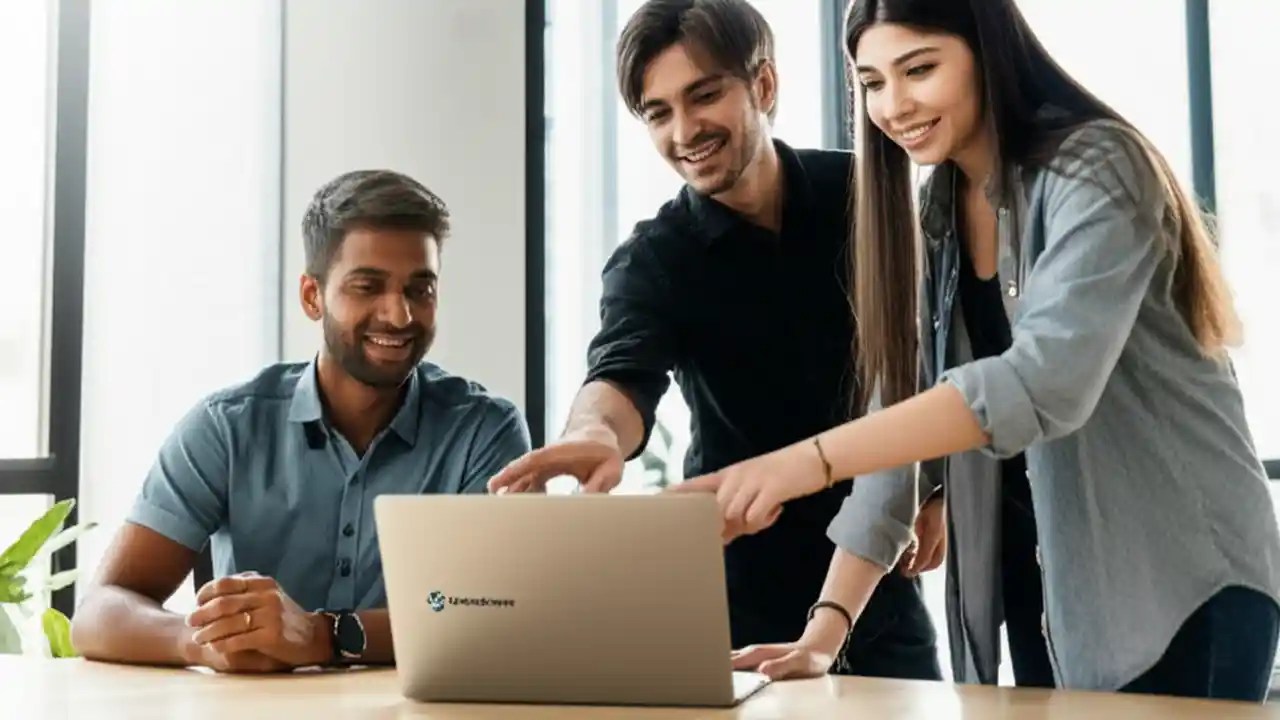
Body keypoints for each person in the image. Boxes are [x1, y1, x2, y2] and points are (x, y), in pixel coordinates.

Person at [672, 0, 1280, 701]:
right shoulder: (939, 213)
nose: (894, 105)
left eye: (919, 69)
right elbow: (895, 438)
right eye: (872, 83)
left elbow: (1042, 382)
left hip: (1181, 590)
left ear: (987, 54)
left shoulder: (1098, 167)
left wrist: (806, 461)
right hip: (1053, 595)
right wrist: (824, 633)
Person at [489, 0, 942, 681]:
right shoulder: (654, 259)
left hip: (881, 579)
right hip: (736, 591)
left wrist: (931, 487)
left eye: (704, 96)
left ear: (763, 86)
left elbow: (928, 362)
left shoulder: (864, 194)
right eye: (658, 112)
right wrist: (598, 436)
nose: (684, 130)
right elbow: (620, 370)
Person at [71, 170, 531, 673]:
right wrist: (201, 641)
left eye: (420, 290)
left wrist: (320, 635)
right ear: (312, 296)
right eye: (367, 286)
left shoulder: (484, 432)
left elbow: (492, 612)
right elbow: (98, 612)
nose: (399, 315)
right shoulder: (227, 428)